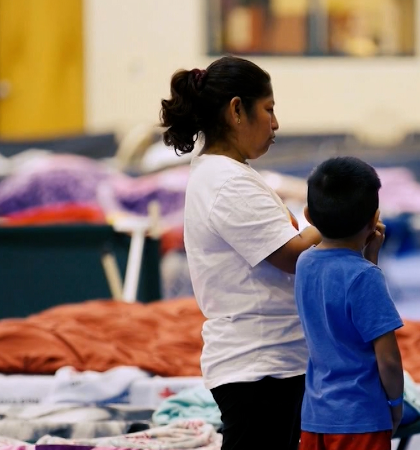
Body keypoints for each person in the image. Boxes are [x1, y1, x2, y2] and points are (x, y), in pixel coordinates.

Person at [159, 56, 323, 450]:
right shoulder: (226, 181)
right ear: (236, 110)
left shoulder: (230, 173)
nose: (276, 123)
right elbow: (291, 255)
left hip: (270, 359)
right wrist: (341, 220)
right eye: (268, 109)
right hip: (259, 365)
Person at [295, 157, 404, 450]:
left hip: (315, 417)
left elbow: (340, 294)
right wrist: (395, 405)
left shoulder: (304, 262)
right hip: (362, 420)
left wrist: (369, 259)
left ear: (308, 215)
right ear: (374, 219)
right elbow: (389, 361)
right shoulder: (366, 277)